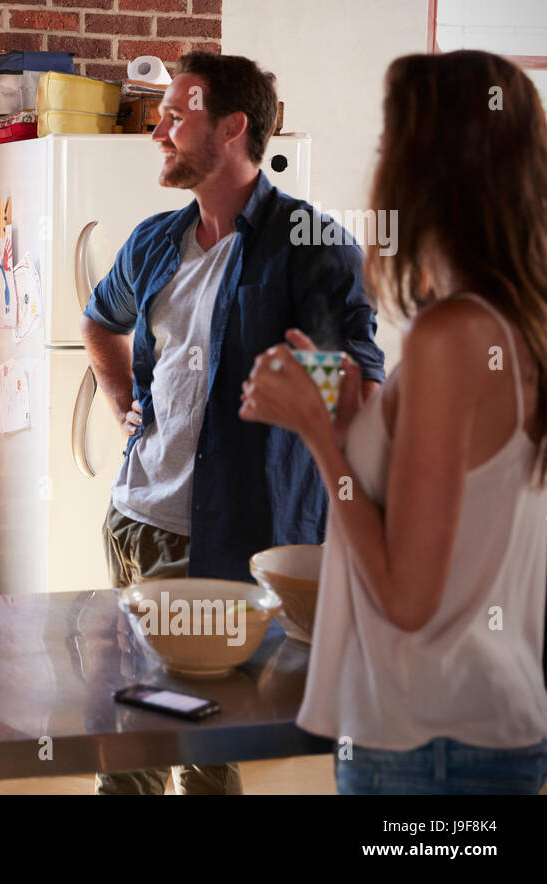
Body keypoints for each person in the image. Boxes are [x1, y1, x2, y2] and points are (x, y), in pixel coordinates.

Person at [241, 49, 547, 795]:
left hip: (430, 741)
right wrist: (357, 425)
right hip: (471, 725)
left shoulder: (453, 338)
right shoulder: (512, 324)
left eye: (388, 146)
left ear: (428, 169)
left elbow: (408, 601)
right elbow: (462, 508)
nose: (378, 164)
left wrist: (318, 438)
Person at [81, 51, 386, 796]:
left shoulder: (311, 245)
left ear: (232, 127)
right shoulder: (156, 239)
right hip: (135, 520)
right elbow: (100, 320)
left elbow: (358, 389)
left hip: (235, 532)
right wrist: (123, 398)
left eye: (175, 114)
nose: (158, 130)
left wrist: (295, 388)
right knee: (129, 736)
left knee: (208, 743)